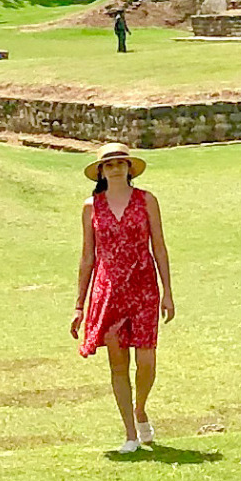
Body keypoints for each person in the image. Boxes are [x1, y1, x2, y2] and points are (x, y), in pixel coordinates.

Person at [71, 143, 174, 452]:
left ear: (129, 168)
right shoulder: (91, 206)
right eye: (109, 164)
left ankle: (140, 409)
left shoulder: (147, 200)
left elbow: (159, 247)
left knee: (146, 360)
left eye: (120, 163)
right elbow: (87, 256)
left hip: (144, 287)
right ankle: (130, 434)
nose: (115, 168)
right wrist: (79, 305)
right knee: (118, 365)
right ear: (101, 172)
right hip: (108, 291)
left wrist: (168, 292)